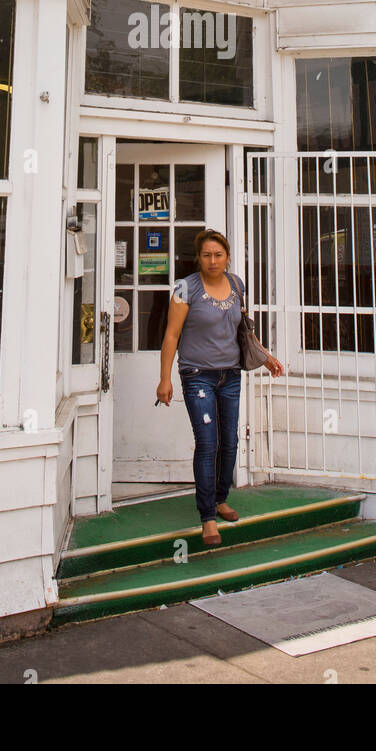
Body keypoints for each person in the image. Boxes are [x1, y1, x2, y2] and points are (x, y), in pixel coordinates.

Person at [156, 228, 283, 547]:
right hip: (197, 374)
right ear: (198, 257)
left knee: (230, 441)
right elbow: (171, 335)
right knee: (208, 441)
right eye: (207, 255)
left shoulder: (237, 285)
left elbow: (243, 330)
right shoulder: (186, 289)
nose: (213, 261)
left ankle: (220, 498)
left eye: (219, 255)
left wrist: (265, 357)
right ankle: (207, 518)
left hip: (230, 374)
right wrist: (165, 378)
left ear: (227, 257)